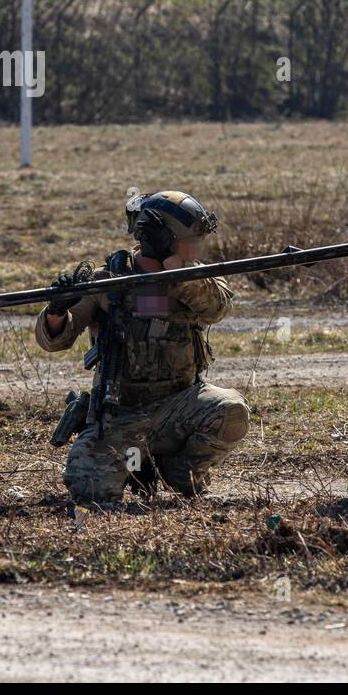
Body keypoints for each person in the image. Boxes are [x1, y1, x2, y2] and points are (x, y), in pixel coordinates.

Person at [35, 190, 249, 504]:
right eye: (188, 240)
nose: (196, 249)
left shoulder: (193, 277)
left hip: (180, 406)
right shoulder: (106, 282)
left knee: (232, 410)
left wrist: (177, 274)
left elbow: (217, 307)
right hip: (120, 416)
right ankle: (139, 463)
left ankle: (180, 470)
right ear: (158, 237)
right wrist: (55, 310)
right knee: (90, 490)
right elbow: (55, 340)